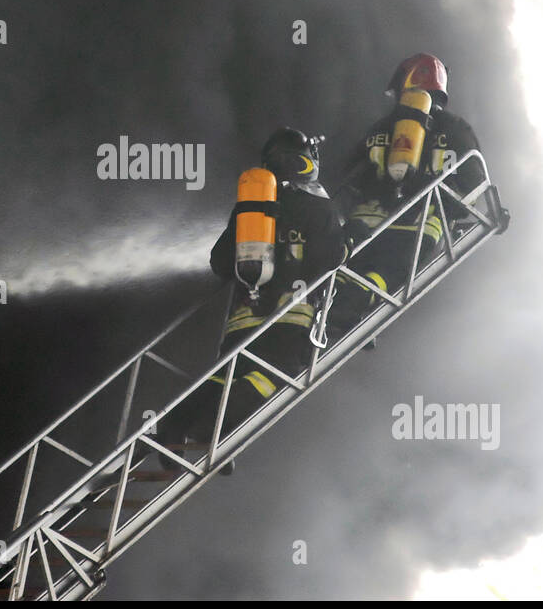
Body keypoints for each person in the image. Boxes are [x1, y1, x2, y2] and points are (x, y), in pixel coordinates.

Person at [163, 128, 347, 465]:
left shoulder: (250, 209)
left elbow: (220, 261)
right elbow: (332, 257)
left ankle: (174, 425)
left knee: (226, 375)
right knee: (280, 372)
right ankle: (217, 431)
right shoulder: (316, 204)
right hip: (290, 314)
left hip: (242, 317)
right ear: (304, 162)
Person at [329, 53, 484, 331]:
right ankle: (353, 313)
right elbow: (475, 181)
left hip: (366, 224)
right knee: (387, 274)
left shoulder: (381, 127)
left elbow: (346, 175)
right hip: (420, 224)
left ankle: (334, 315)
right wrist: (454, 210)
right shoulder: (457, 128)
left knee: (347, 273)